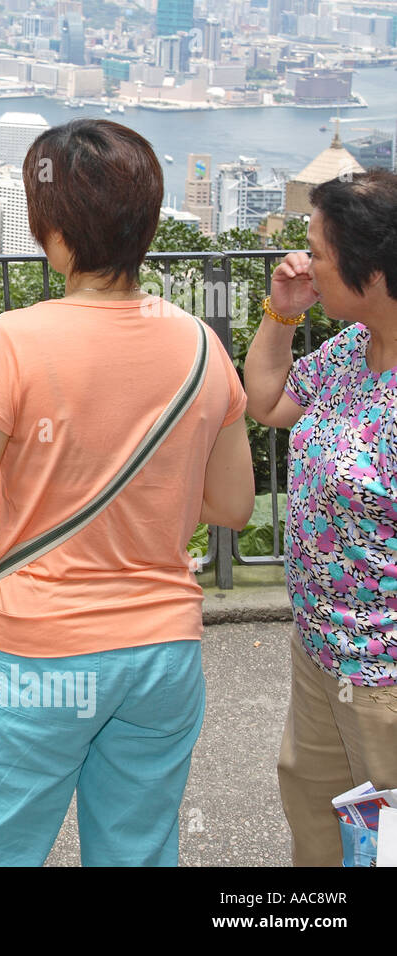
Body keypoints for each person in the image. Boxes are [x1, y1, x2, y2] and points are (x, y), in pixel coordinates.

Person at [0, 118, 254, 865]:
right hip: (162, 653)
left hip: (38, 654)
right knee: (137, 852)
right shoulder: (204, 345)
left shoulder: (15, 340)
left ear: (58, 233)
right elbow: (232, 505)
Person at [243, 169, 397, 866]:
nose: (304, 263)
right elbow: (268, 401)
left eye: (320, 254)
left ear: (370, 272)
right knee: (324, 831)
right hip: (320, 651)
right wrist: (283, 312)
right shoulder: (348, 353)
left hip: (384, 677)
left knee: (385, 842)